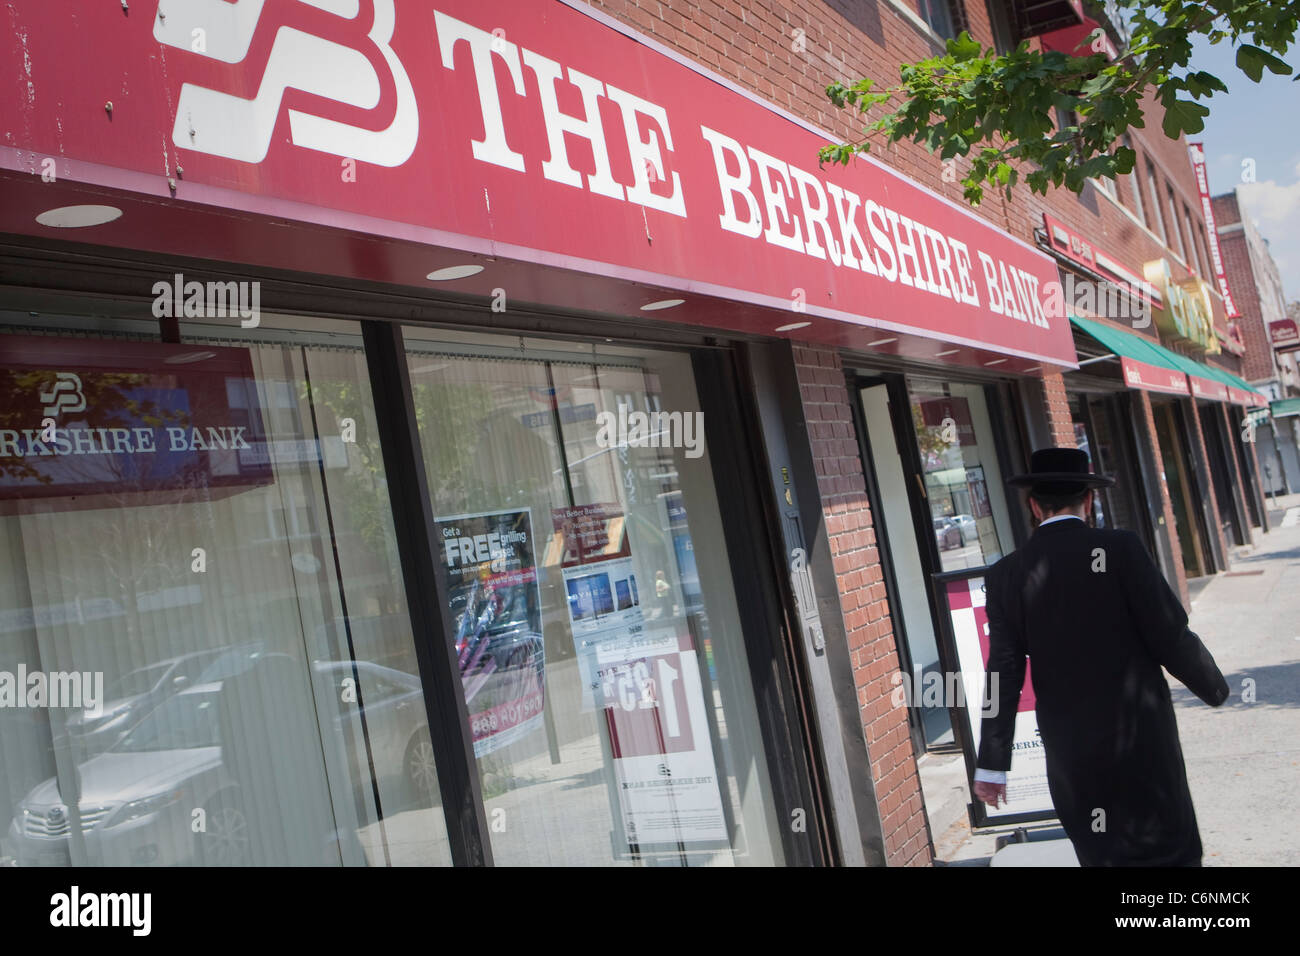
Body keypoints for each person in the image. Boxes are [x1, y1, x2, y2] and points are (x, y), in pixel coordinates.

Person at [973, 447, 1230, 866]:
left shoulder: (1005, 575)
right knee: (1170, 849)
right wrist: (1214, 687)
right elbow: (1169, 633)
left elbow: (1002, 672)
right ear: (1089, 501)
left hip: (1072, 752)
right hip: (1142, 737)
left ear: (1034, 507)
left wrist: (992, 764)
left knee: (1100, 850)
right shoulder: (1120, 549)